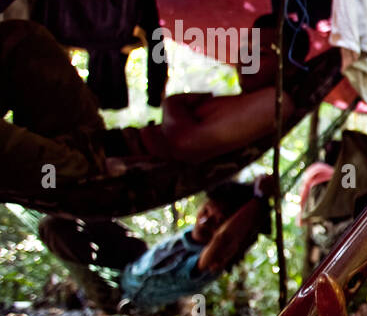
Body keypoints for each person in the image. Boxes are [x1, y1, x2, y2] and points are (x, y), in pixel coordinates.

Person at [0, 16, 313, 194]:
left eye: (261, 52)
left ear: (291, 67)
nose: (245, 58)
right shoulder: (248, 100)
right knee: (26, 40)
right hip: (93, 139)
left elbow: (184, 142)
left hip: (88, 166)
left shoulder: (276, 103)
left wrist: (175, 105)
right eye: (246, 48)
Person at [38, 178, 272, 311]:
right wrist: (252, 190)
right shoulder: (197, 234)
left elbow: (226, 238)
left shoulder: (208, 264)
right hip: (136, 257)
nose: (204, 220)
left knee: (51, 228)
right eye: (207, 210)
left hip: (118, 293)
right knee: (82, 211)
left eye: (216, 222)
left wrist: (260, 200)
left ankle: (84, 260)